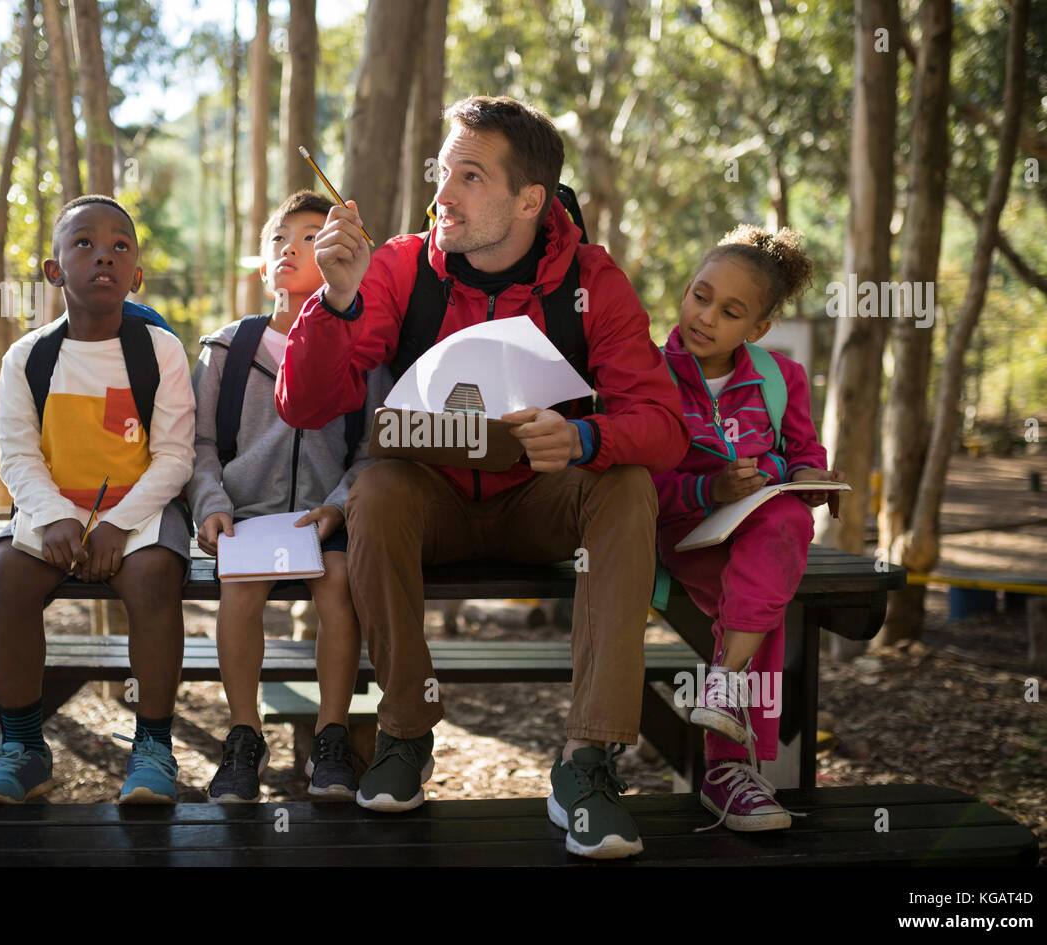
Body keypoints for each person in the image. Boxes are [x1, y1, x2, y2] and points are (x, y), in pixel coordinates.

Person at [276, 96, 689, 859]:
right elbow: (304, 405)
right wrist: (334, 301)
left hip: (541, 500)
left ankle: (587, 762)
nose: (443, 195)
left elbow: (664, 426)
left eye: (469, 177)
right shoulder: (400, 265)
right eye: (441, 173)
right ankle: (404, 734)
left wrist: (585, 434)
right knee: (376, 488)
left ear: (529, 199)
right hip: (429, 502)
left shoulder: (592, 280)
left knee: (628, 487)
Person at [0, 195, 196, 806]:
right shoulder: (29, 357)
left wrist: (119, 524)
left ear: (137, 275)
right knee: (7, 573)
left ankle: (152, 748)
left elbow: (175, 456)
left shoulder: (159, 351)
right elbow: (17, 457)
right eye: (84, 244)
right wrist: (55, 517)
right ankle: (22, 747)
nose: (104, 255)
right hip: (56, 511)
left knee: (153, 577)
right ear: (53, 270)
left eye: (121, 246)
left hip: (139, 512)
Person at [188, 190, 381, 803]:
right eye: (280, 239)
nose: (292, 247)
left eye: (311, 236)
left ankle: (332, 737)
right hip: (246, 517)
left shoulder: (364, 348)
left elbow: (374, 450)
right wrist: (211, 504)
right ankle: (244, 736)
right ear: (263, 264)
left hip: (327, 518)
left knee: (340, 585)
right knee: (239, 590)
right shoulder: (225, 350)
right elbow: (198, 446)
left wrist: (341, 505)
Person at [652, 224, 844, 831]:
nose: (706, 316)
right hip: (682, 535)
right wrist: (710, 489)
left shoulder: (781, 379)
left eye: (731, 311)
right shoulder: (646, 374)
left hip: (757, 532)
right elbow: (641, 487)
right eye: (700, 295)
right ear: (686, 290)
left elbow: (803, 452)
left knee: (785, 517)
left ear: (757, 329)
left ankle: (723, 700)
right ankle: (735, 771)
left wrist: (813, 477)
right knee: (763, 605)